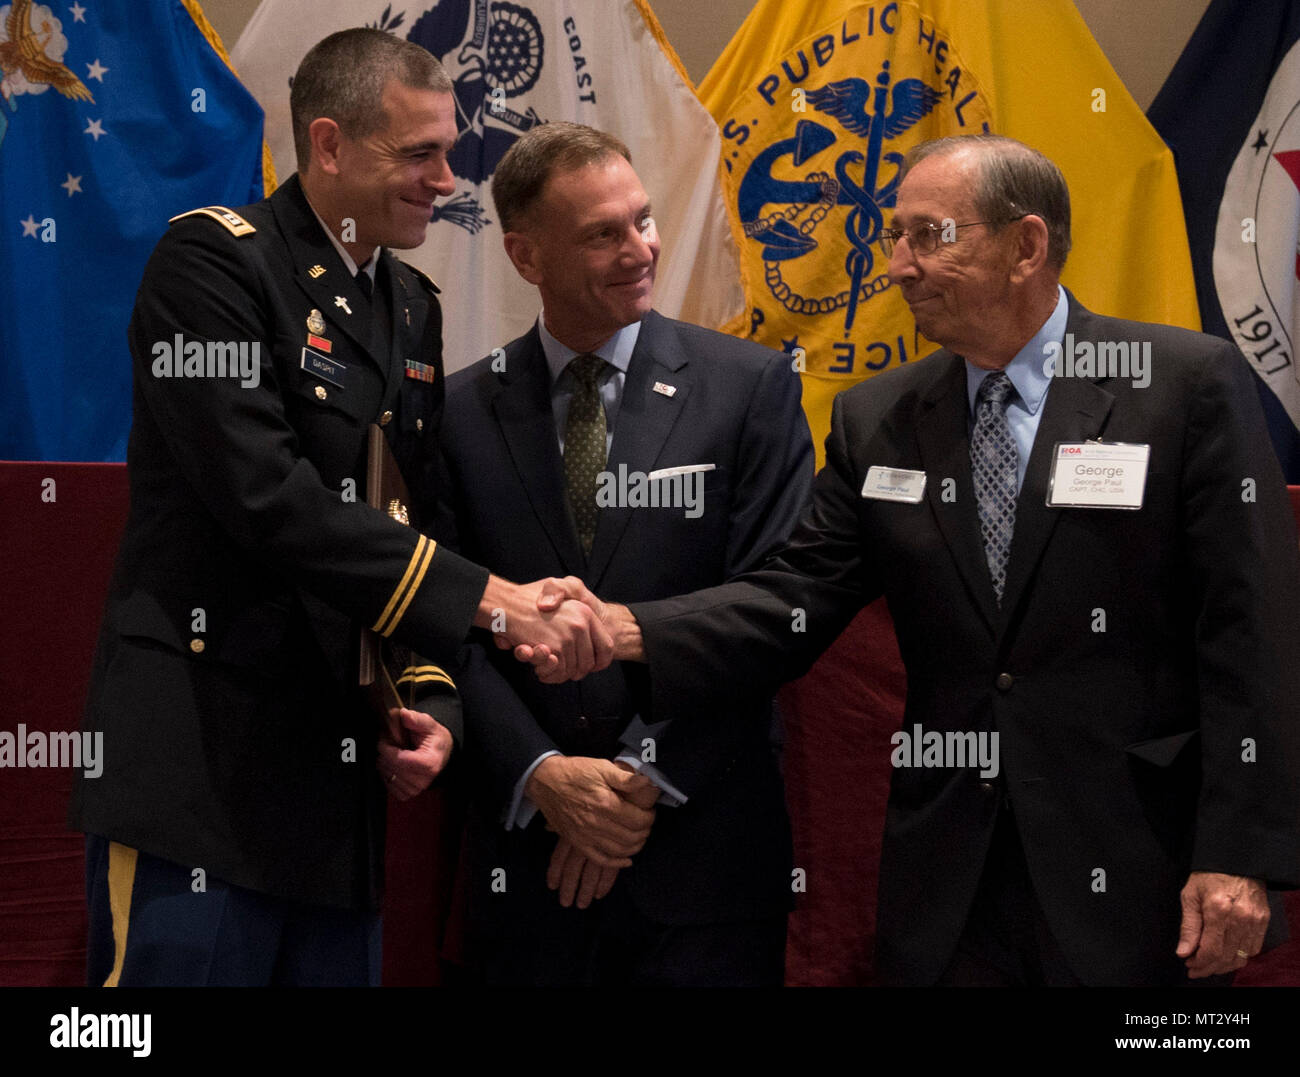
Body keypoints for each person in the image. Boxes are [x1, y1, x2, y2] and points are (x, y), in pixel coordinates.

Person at [529, 134, 1300, 986]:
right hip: (949, 879)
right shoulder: (880, 419)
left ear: (1026, 246)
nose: (897, 265)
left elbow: (1253, 632)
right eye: (894, 237)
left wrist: (1240, 854)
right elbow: (793, 599)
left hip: (1137, 864)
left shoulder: (1183, 386)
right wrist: (626, 627)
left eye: (928, 236)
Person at [69, 29, 611, 988]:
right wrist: (494, 600)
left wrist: (432, 696)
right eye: (419, 154)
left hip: (338, 787)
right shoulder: (212, 265)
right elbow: (269, 498)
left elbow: (416, 512)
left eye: (450, 150)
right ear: (328, 144)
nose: (448, 178)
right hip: (203, 772)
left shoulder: (412, 305)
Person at [436, 122, 814, 985]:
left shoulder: (750, 387)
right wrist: (546, 778)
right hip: (528, 871)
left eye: (641, 220)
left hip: (705, 863)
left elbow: (774, 604)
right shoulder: (459, 412)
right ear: (527, 256)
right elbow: (448, 620)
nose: (639, 248)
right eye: (602, 234)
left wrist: (632, 784)